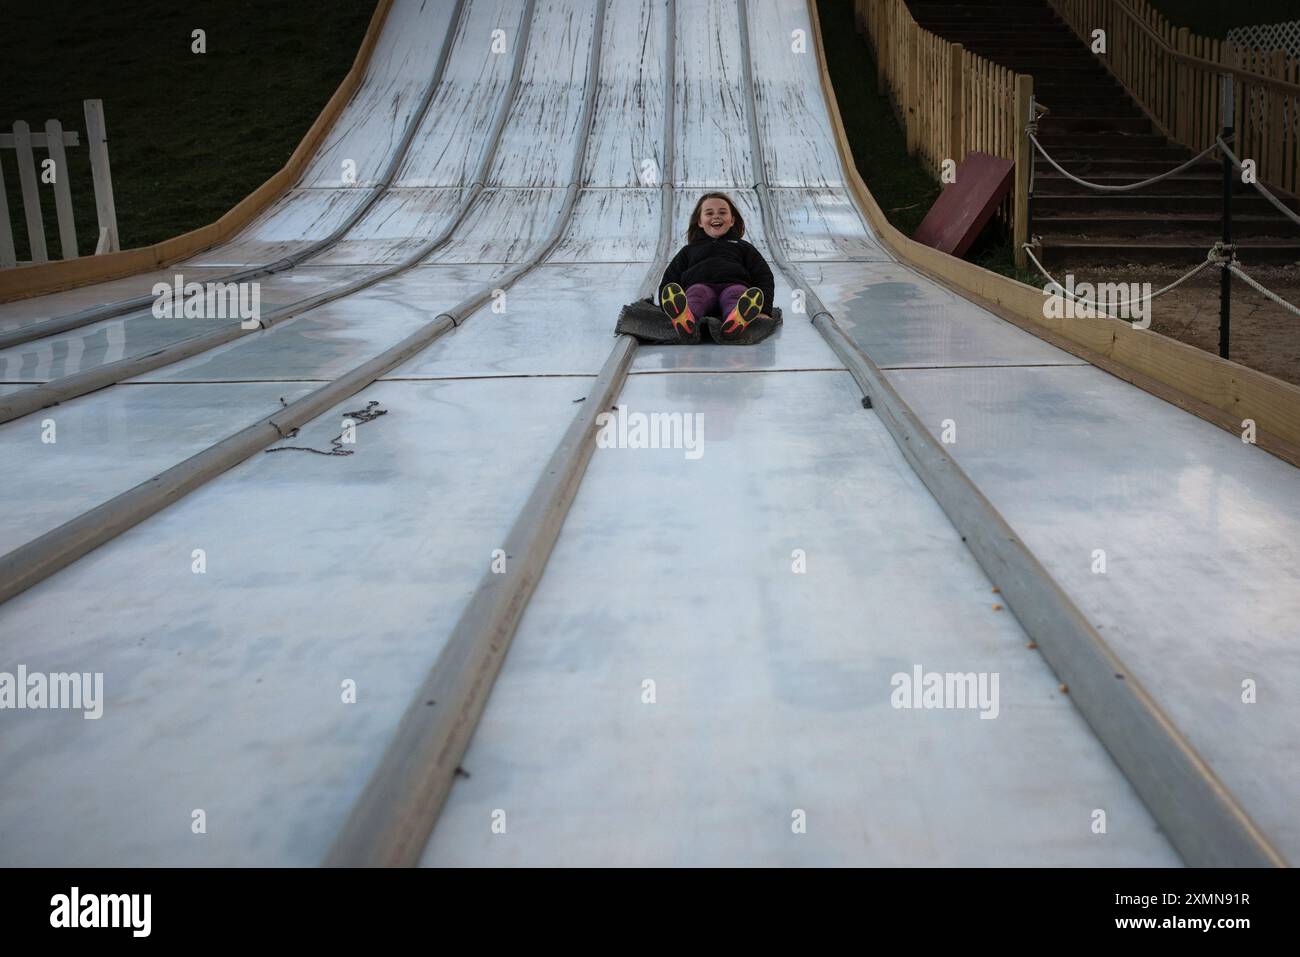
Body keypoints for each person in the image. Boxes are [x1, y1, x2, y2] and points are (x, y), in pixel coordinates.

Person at [659, 192, 774, 343]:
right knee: (696, 296)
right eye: (709, 213)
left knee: (736, 296)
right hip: (700, 285)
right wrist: (666, 304)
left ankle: (736, 319)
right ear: (700, 222)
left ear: (732, 220)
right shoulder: (689, 250)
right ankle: (685, 319)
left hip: (734, 285)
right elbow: (671, 277)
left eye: (722, 212)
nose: (716, 216)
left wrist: (764, 309)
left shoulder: (742, 247)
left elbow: (763, 275)